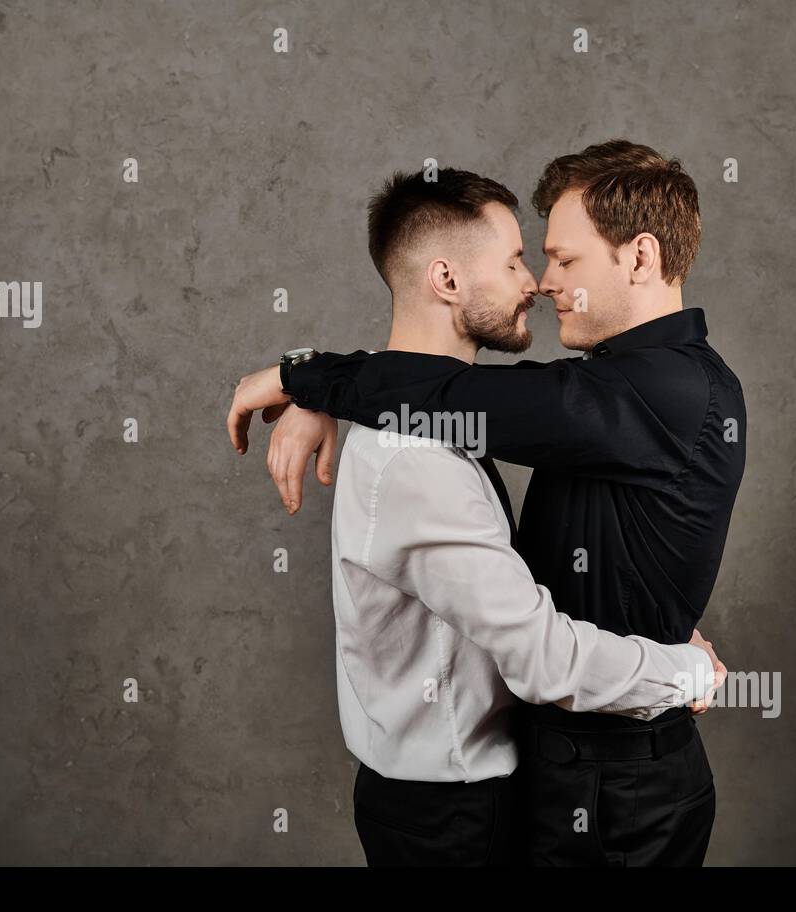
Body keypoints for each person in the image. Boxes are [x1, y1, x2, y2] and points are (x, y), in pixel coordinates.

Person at [233, 164, 724, 866]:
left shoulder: (437, 418)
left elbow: (448, 392)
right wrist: (687, 672)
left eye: (554, 259)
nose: (538, 285)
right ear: (448, 280)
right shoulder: (418, 457)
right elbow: (543, 661)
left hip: (475, 793)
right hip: (457, 813)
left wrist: (312, 382)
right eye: (520, 260)